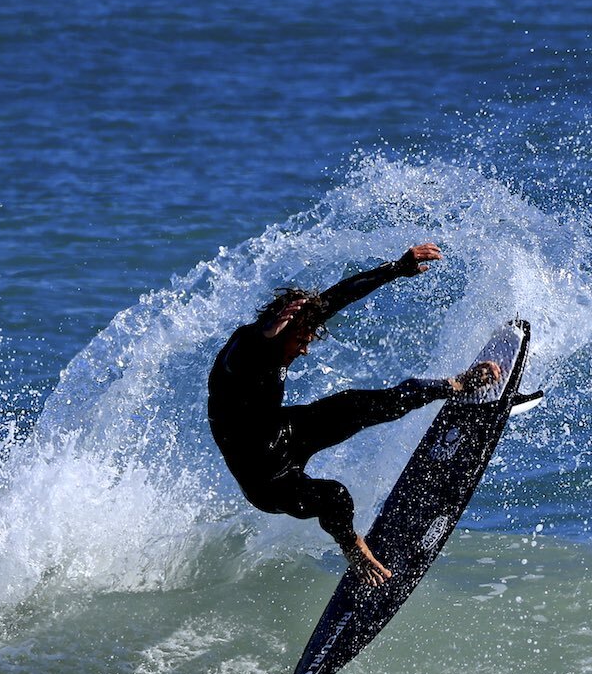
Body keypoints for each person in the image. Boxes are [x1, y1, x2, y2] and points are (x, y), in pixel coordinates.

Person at [207, 243, 501, 582]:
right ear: (279, 330)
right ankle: (352, 547)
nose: (305, 348)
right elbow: (236, 362)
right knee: (334, 496)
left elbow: (338, 296)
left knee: (363, 404)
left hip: (282, 433)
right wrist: (260, 339)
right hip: (267, 480)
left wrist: (397, 268)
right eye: (302, 338)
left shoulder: (276, 337)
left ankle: (455, 385)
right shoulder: (244, 353)